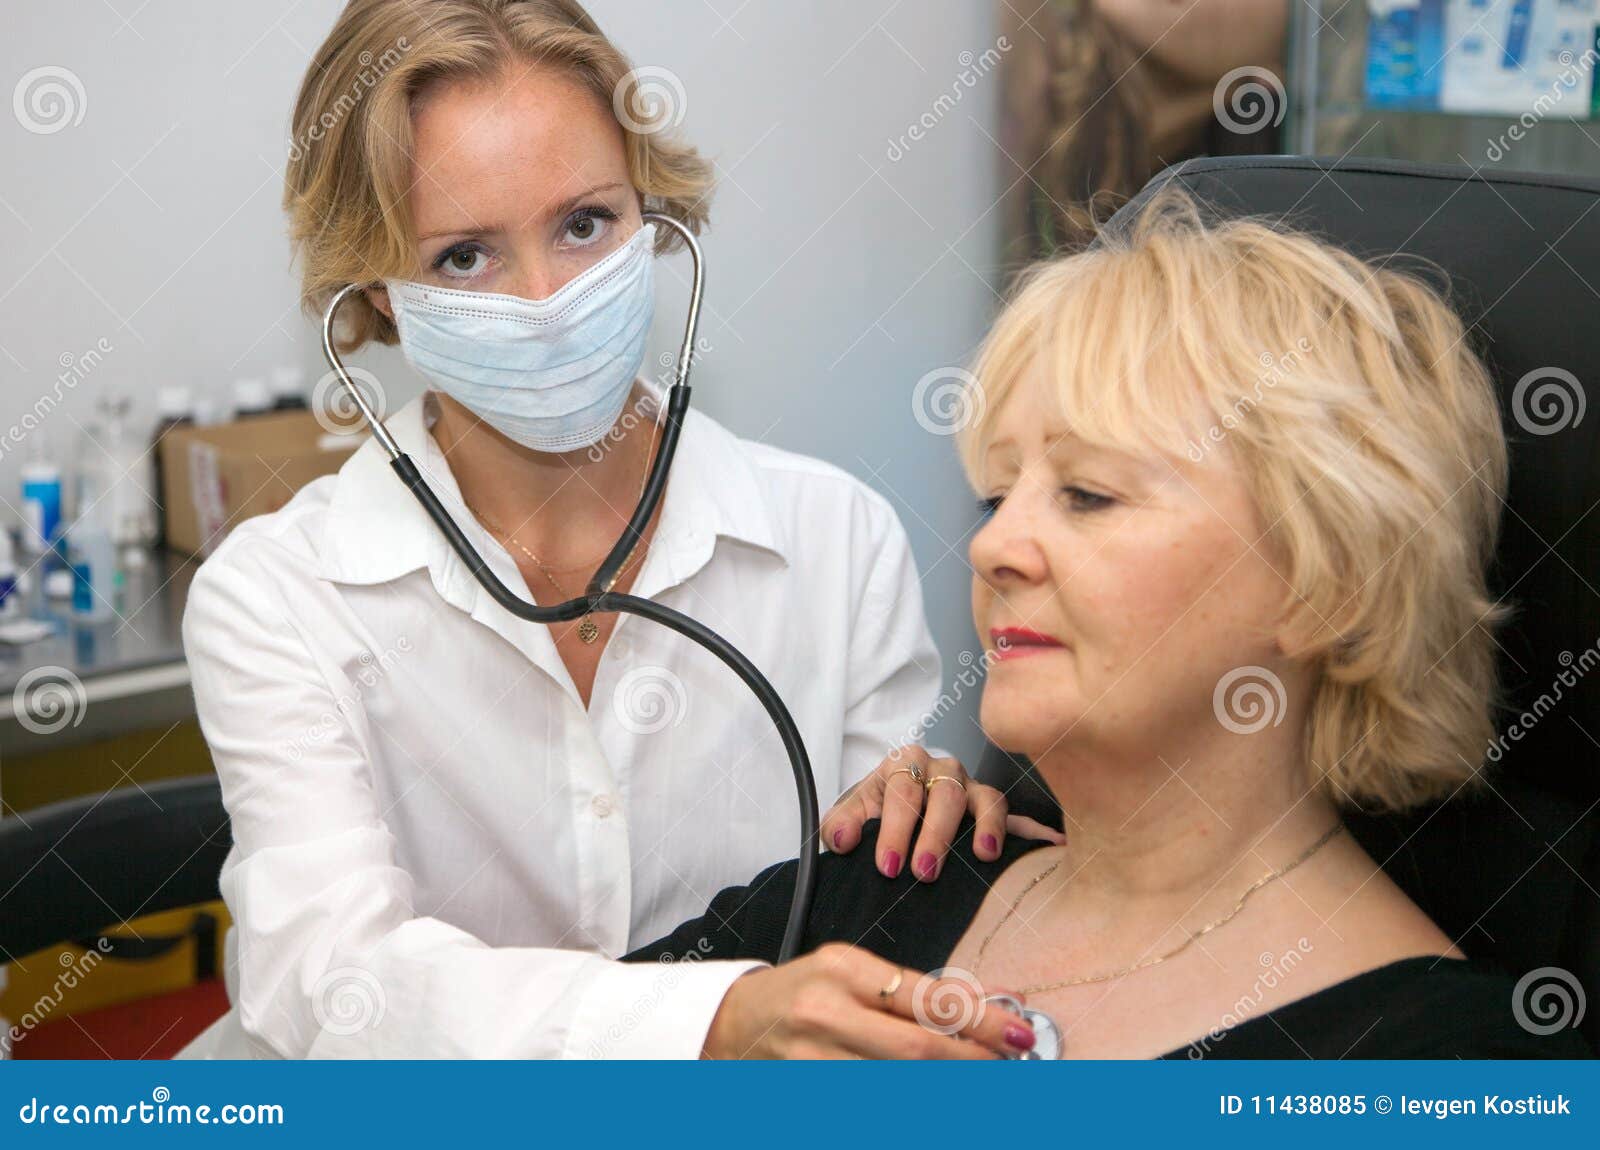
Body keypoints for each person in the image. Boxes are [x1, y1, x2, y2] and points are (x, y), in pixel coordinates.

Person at [178, 0, 1044, 1060]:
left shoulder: (835, 538)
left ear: (649, 213)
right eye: (463, 257)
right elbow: (335, 987)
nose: (547, 300)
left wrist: (927, 808)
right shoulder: (273, 596)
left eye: (583, 223)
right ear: (381, 295)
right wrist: (706, 1023)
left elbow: (871, 916)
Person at [631, 189, 1595, 1059]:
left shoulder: (1455, 1066)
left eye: (1088, 495)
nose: (995, 548)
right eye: (994, 499)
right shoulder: (875, 883)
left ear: (1329, 588)